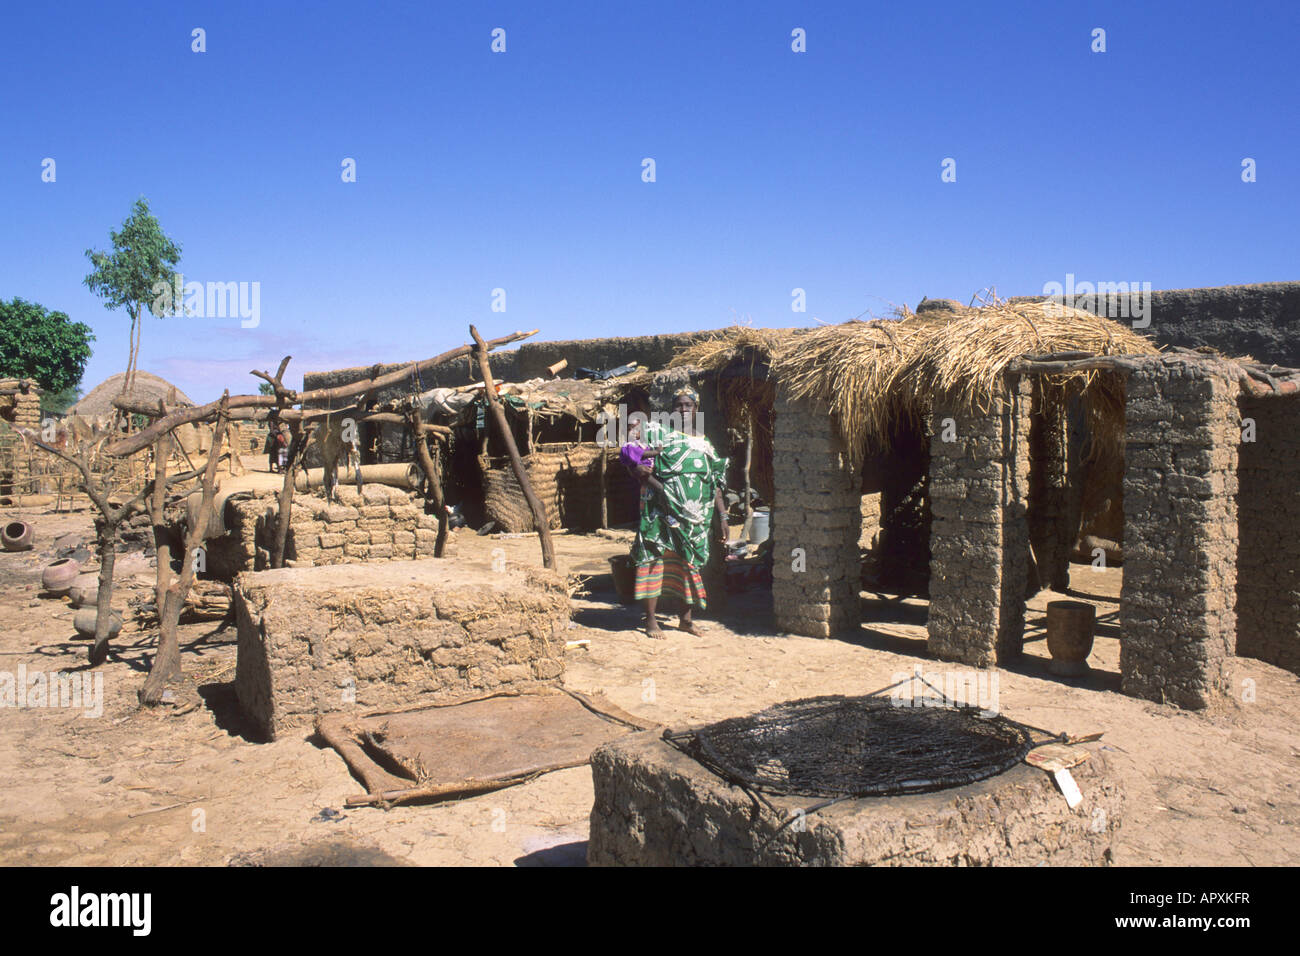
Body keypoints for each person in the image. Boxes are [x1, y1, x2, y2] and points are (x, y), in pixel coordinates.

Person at [626, 387, 728, 639]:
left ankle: (685, 620)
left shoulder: (704, 443)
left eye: (688, 405)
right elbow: (630, 452)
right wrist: (647, 479)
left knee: (688, 564)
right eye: (678, 405)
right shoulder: (658, 432)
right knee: (653, 562)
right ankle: (650, 620)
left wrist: (723, 516)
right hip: (660, 514)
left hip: (694, 520)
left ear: (696, 409)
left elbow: (714, 482)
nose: (683, 410)